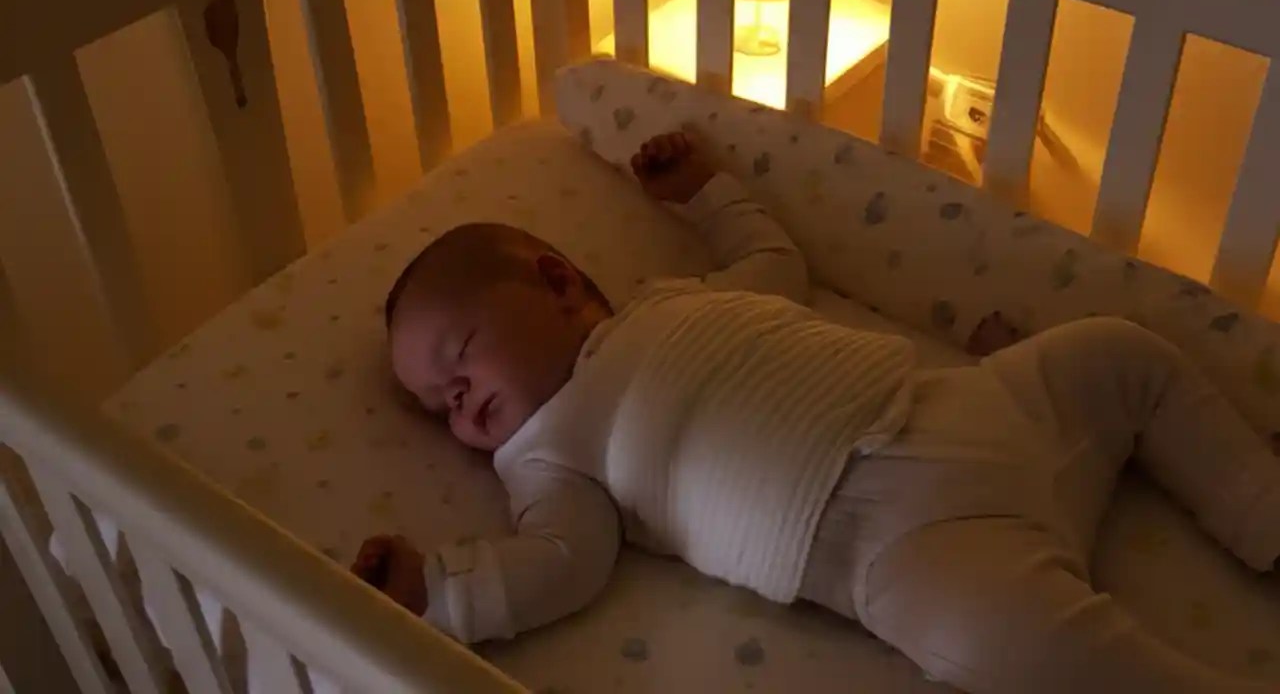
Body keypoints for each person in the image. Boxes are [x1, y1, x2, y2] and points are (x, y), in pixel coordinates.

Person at [352, 130, 1280, 694]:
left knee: (1114, 351)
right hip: (909, 547)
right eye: (440, 408)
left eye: (459, 362)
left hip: (973, 404)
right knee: (999, 644)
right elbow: (563, 561)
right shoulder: (548, 458)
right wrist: (439, 592)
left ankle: (1260, 507)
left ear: (555, 283)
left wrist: (704, 195)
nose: (460, 409)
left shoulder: (681, 300)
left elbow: (776, 265)